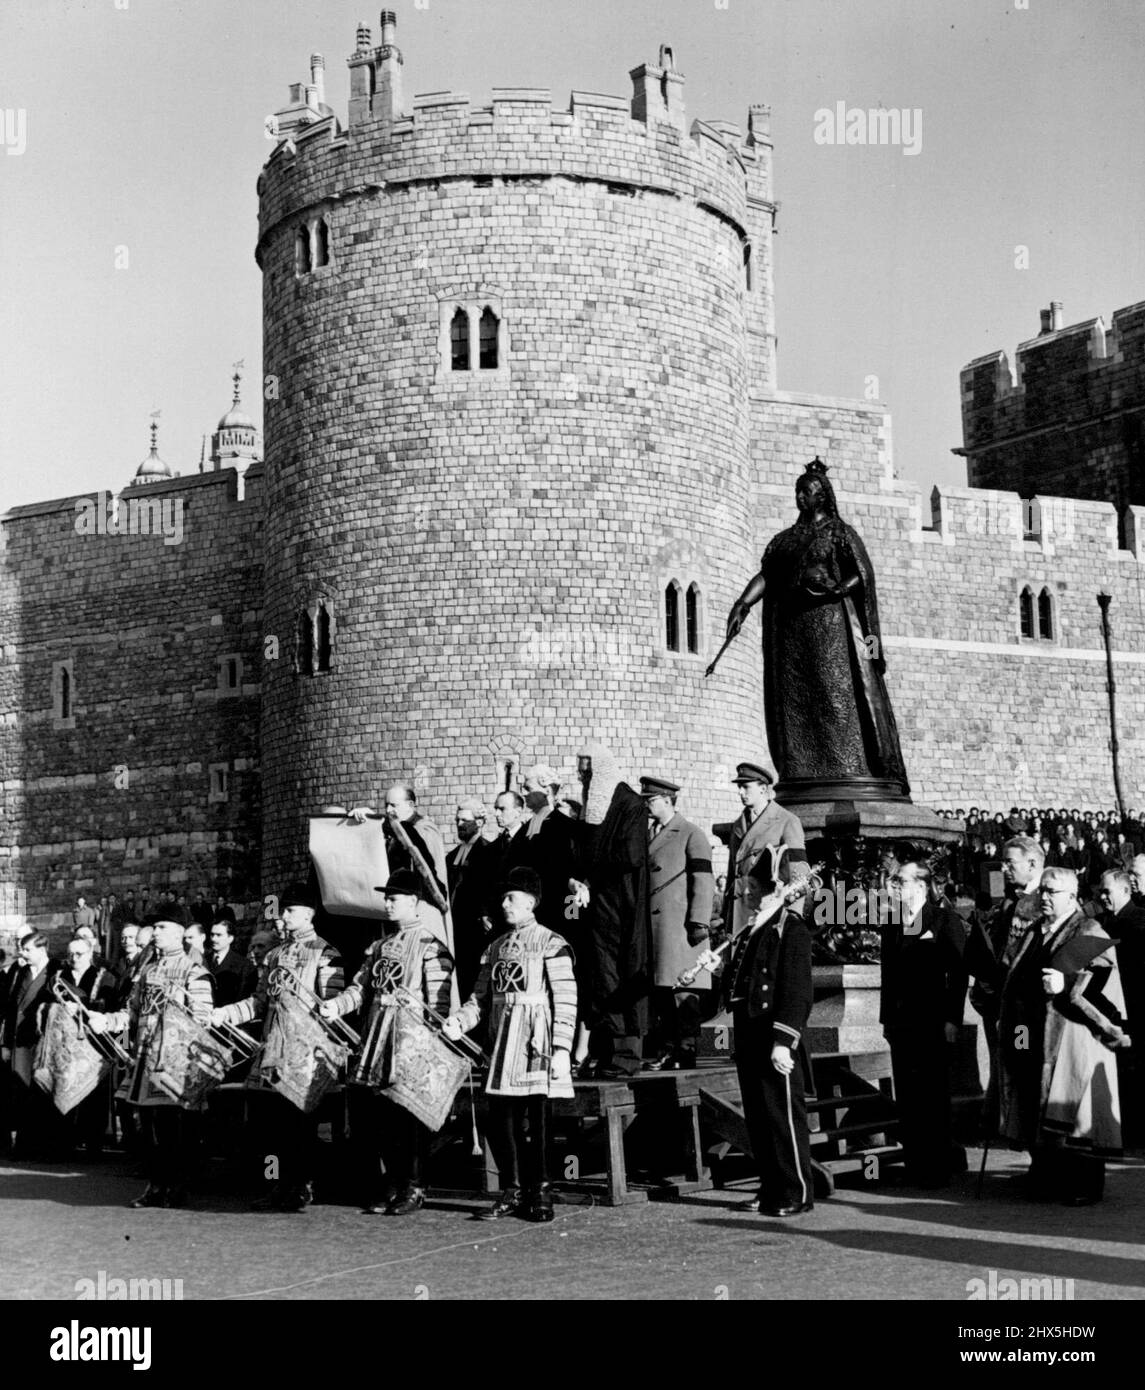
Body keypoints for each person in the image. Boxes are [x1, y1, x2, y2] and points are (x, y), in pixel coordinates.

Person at [722, 456, 909, 799]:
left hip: (833, 632)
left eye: (806, 492)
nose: (800, 498)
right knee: (797, 702)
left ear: (821, 495)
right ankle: (803, 768)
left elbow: (863, 575)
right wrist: (743, 603)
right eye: (797, 492)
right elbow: (769, 576)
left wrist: (839, 589)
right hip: (792, 636)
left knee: (836, 698)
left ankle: (850, 766)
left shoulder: (839, 533)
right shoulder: (785, 541)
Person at [444, 867, 576, 1223]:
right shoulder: (494, 948)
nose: (505, 904)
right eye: (503, 898)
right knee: (502, 1121)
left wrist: (563, 1048)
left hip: (537, 1046)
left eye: (512, 897)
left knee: (539, 1122)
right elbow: (480, 999)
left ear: (531, 902)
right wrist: (460, 1020)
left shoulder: (552, 942)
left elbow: (566, 998)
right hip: (502, 1046)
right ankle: (513, 1190)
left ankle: (542, 1191)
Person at [319, 869, 454, 1215]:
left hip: (412, 1046)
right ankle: (392, 1182)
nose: (388, 904)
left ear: (414, 902)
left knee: (409, 1120)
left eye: (394, 899)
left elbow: (438, 1007)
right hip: (377, 1041)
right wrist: (337, 1005)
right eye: (387, 898)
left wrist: (425, 1021)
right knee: (381, 1118)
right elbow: (360, 989)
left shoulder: (431, 947)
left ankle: (415, 1185)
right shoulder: (379, 947)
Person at [995, 866, 1130, 1204]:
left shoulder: (1088, 930)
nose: (1044, 897)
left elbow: (1105, 985)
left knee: (1074, 1108)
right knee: (1030, 1093)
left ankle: (1084, 1184)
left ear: (1071, 896)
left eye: (1052, 892)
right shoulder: (1033, 933)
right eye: (1042, 890)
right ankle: (1045, 1173)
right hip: (1027, 1030)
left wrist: (1067, 984)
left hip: (1072, 1036)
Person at [697, 848, 815, 1217]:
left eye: (752, 888)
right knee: (760, 1117)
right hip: (749, 1032)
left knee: (782, 1117)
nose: (746, 894)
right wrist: (716, 968)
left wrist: (784, 1042)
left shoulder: (790, 929)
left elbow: (797, 992)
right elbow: (741, 984)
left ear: (772, 890)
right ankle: (770, 1187)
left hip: (774, 1035)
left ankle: (796, 1191)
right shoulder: (752, 930)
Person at [212, 883, 343, 1212]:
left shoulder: (326, 953)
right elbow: (258, 1003)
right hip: (271, 1051)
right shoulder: (273, 955)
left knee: (299, 1126)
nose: (283, 916)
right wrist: (225, 1013)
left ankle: (301, 1186)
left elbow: (332, 1009)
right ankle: (276, 1183)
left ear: (309, 913)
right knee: (270, 1127)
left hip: (305, 1055)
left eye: (291, 911)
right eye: (283, 910)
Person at [86, 912, 214, 1207]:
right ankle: (156, 1186)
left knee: (173, 1130)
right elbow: (130, 1015)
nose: (155, 932)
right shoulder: (147, 972)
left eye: (161, 927)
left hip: (175, 1066)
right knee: (148, 1128)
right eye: (154, 928)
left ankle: (176, 1187)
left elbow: (203, 1022)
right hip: (144, 1060)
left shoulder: (194, 971)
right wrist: (105, 1021)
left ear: (179, 932)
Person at [881, 860, 968, 1187]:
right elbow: (887, 976)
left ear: (919, 885)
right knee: (908, 1093)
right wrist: (886, 1020)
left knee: (933, 1092)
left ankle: (938, 1164)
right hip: (902, 1023)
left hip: (933, 1021)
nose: (895, 886)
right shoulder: (891, 922)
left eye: (900, 880)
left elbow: (958, 974)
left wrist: (952, 1019)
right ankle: (915, 1161)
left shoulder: (944, 920)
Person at [577, 742, 652, 1080]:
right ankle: (605, 1051)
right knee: (600, 976)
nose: (582, 774)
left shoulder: (630, 804)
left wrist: (593, 867)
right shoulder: (594, 805)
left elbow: (631, 855)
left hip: (622, 904)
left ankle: (626, 1055)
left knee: (622, 974)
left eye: (587, 769)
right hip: (600, 904)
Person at [966, 835, 1044, 1126]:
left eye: (1010, 862)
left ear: (1033, 863)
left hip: (1027, 1011)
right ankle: (1013, 1130)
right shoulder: (1007, 902)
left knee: (1025, 1067)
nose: (1004, 869)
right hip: (999, 1004)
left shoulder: (1046, 901)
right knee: (1008, 1068)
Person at [641, 776, 714, 1071]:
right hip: (656, 927)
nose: (647, 804)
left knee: (684, 990)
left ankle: (685, 1049)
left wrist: (699, 921)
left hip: (680, 928)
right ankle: (667, 1047)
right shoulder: (647, 834)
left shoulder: (689, 833)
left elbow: (703, 880)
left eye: (652, 799)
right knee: (661, 990)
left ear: (668, 800)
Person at [722, 763, 809, 941]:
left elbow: (800, 872)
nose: (740, 792)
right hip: (738, 912)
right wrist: (725, 914)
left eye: (746, 787)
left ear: (762, 789)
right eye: (739, 787)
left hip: (766, 912)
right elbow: (733, 874)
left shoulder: (786, 821)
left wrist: (793, 915)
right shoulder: (737, 826)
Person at [1096, 869, 1145, 1146]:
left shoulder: (1137, 921)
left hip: (1133, 1006)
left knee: (1133, 1069)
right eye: (1100, 892)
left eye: (1108, 892)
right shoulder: (1105, 921)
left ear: (1125, 891)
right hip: (1114, 1008)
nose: (1103, 897)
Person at [1, 932, 59, 1158]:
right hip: (20, 1042)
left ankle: (44, 1146)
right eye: (22, 949)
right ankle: (23, 1145)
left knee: (42, 1092)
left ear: (41, 949)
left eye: (27, 949)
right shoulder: (19, 972)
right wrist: (5, 1044)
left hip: (43, 1040)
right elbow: (9, 1009)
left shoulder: (56, 970)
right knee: (20, 1092)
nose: (22, 953)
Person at [445, 798, 495, 999]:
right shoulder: (451, 856)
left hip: (474, 930)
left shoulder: (488, 852)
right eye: (457, 820)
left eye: (465, 820)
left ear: (480, 822)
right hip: (453, 927)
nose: (459, 824)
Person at [208, 920, 257, 1007]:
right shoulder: (203, 960)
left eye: (219, 935)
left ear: (230, 938)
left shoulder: (244, 966)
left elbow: (243, 998)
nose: (213, 939)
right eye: (212, 935)